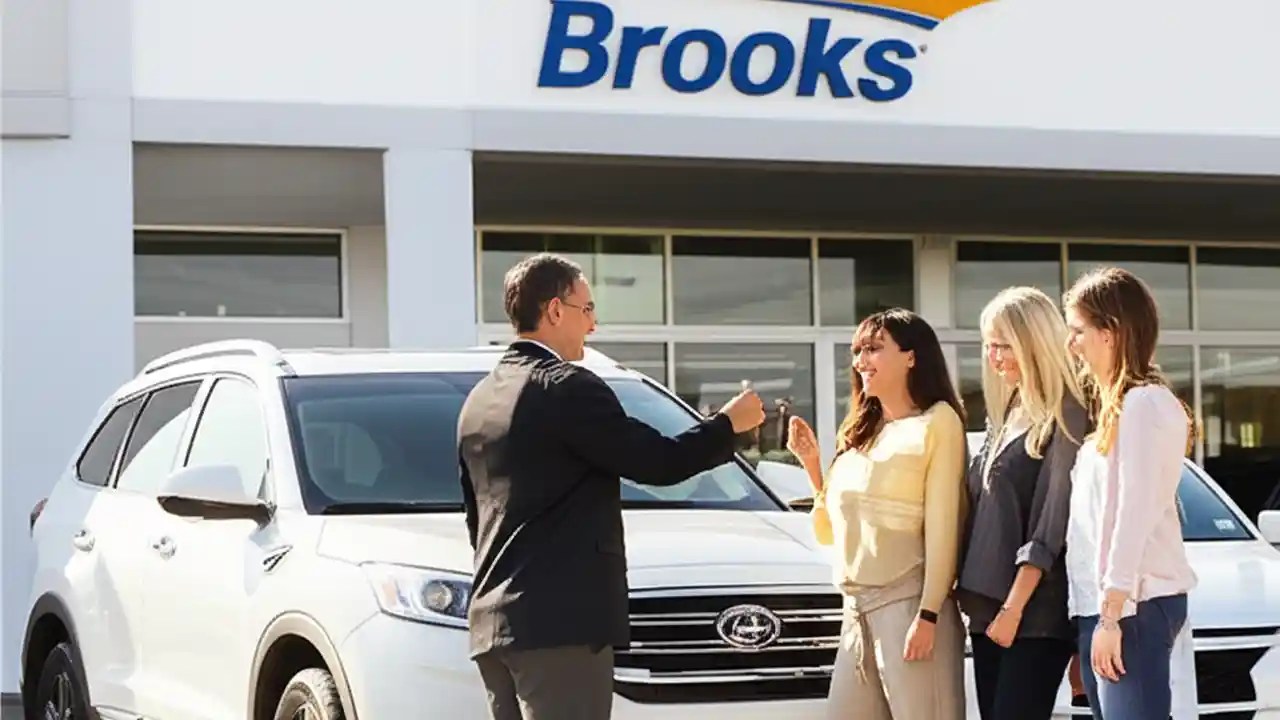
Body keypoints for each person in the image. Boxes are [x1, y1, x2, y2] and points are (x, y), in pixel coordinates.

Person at [457, 253, 766, 720]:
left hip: (494, 626)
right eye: (587, 310)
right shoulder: (566, 386)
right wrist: (727, 425)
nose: (594, 326)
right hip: (561, 627)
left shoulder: (479, 400)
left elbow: (475, 518)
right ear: (555, 310)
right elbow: (658, 461)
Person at [786, 308, 968, 720]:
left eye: (873, 349)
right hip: (855, 611)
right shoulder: (860, 433)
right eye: (857, 351)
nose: (861, 361)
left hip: (909, 606)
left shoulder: (938, 421)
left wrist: (929, 613)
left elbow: (945, 525)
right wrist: (814, 468)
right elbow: (832, 532)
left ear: (911, 357)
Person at [1062, 266, 1198, 720]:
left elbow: (1132, 514)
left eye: (1078, 331)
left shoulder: (1145, 405)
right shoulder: (1119, 409)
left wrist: (1110, 617)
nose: (1072, 344)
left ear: (1111, 332)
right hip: (1109, 610)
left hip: (1132, 609)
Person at [954, 287, 1090, 720]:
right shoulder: (1007, 410)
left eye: (1004, 345)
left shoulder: (1067, 412)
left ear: (1034, 342)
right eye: (988, 344)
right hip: (986, 610)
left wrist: (1013, 609)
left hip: (1034, 616)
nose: (993, 357)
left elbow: (1051, 524)